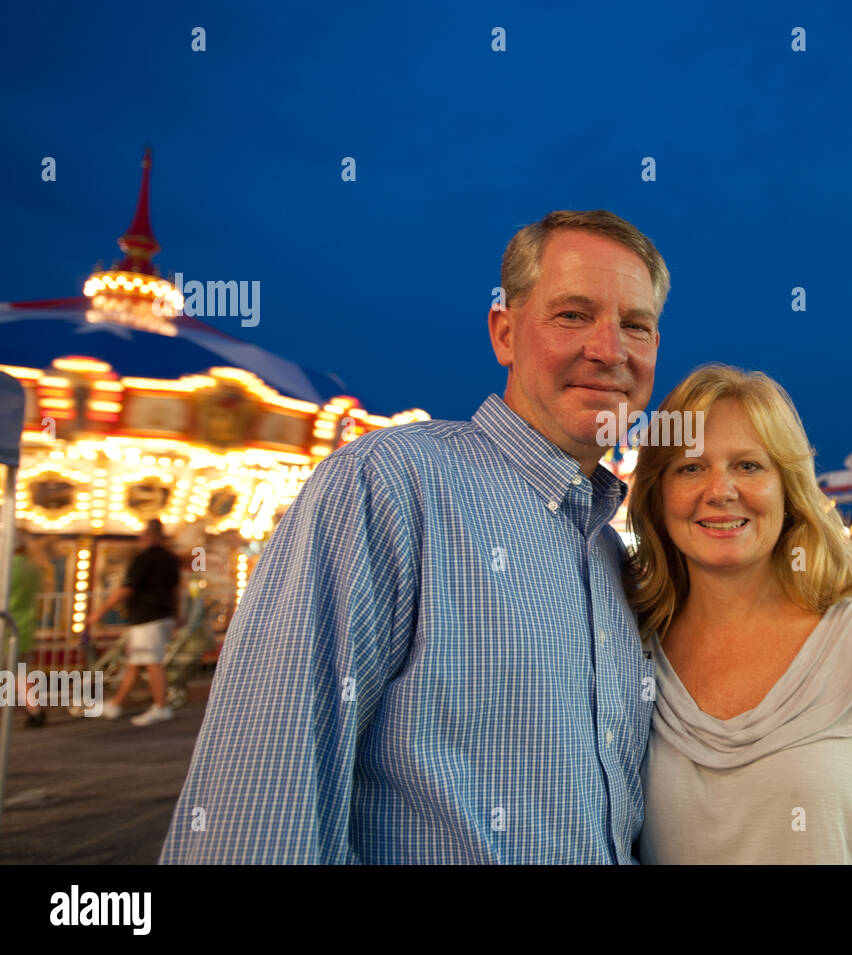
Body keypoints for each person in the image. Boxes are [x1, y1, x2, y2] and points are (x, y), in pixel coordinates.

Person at [160, 210, 669, 864]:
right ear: (505, 333)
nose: (609, 349)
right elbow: (261, 800)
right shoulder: (388, 485)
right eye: (572, 315)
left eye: (636, 324)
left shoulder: (613, 558)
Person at [628, 366, 852, 864]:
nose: (720, 490)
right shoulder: (631, 657)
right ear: (658, 494)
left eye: (749, 466)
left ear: (788, 490)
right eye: (691, 468)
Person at [88, 519, 181, 726]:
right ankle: (116, 703)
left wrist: (99, 612)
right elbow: (176, 590)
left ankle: (161, 706)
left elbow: (126, 588)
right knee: (135, 662)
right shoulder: (170, 558)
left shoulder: (143, 558)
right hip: (162, 615)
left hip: (147, 617)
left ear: (147, 535)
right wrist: (176, 616)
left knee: (152, 661)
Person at [8, 533, 44, 727]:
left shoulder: (8, 567)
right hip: (24, 626)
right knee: (20, 673)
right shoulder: (32, 568)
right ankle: (35, 710)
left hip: (5, 627)